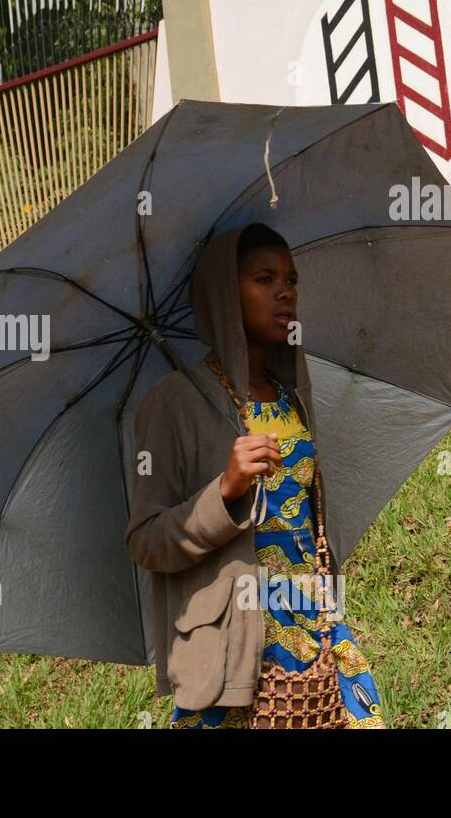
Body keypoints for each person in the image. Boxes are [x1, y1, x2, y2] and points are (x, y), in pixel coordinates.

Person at [126, 221, 385, 729]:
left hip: (317, 627)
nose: (284, 292)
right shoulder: (174, 404)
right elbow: (146, 540)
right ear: (225, 295)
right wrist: (225, 491)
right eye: (263, 280)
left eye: (290, 280)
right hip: (235, 645)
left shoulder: (293, 398)